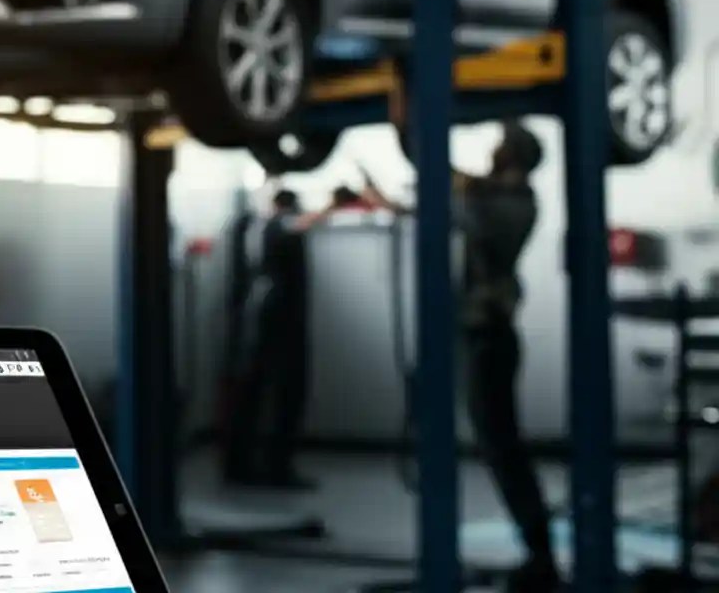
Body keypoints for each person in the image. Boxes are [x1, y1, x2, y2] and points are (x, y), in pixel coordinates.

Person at [363, 122, 557, 592]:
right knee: (498, 445)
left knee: (502, 448)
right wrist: (388, 195)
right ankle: (538, 552)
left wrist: (426, 162)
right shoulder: (490, 197)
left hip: (490, 338)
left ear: (512, 158)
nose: (489, 152)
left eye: (498, 147)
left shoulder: (513, 206)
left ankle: (541, 555)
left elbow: (455, 203)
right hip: (476, 336)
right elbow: (441, 200)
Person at [223, 188, 333, 489]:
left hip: (256, 317)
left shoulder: (247, 225)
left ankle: (241, 465)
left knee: (251, 391)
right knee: (284, 392)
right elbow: (297, 224)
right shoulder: (276, 225)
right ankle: (274, 467)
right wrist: (333, 203)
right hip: (276, 319)